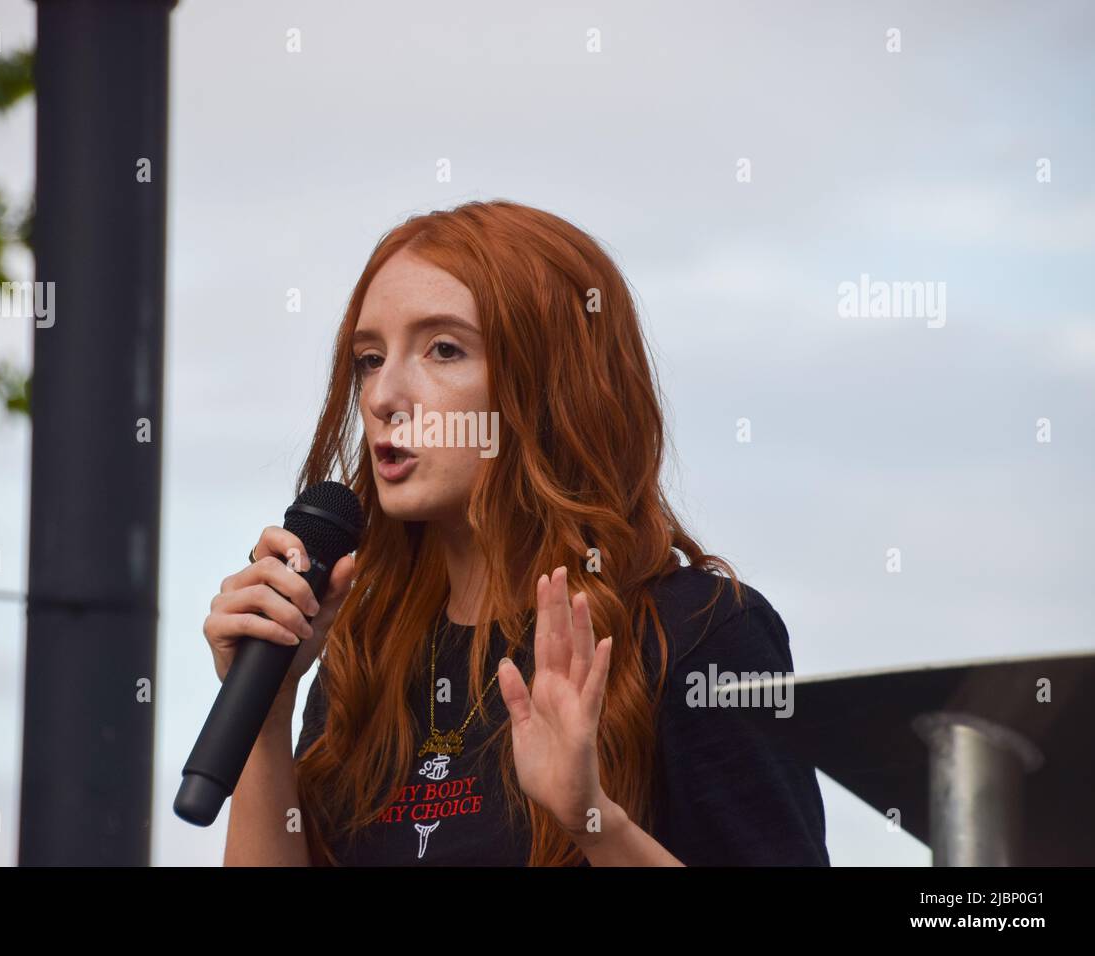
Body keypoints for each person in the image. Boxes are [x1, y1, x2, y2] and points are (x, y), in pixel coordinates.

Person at [207, 199, 829, 866]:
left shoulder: (699, 631)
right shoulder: (367, 652)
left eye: (443, 349)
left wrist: (595, 824)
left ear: (551, 384)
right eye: (367, 358)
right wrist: (266, 714)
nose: (385, 395)